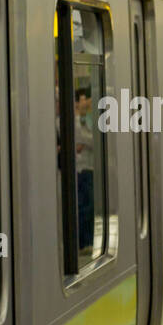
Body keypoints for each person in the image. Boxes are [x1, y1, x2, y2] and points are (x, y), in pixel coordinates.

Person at [74, 88, 96, 252]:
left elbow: (91, 141)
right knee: (84, 206)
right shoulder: (76, 121)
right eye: (82, 100)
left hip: (88, 166)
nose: (84, 104)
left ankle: (87, 241)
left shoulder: (86, 120)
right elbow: (82, 139)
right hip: (80, 169)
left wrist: (84, 143)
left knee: (88, 205)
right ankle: (83, 242)